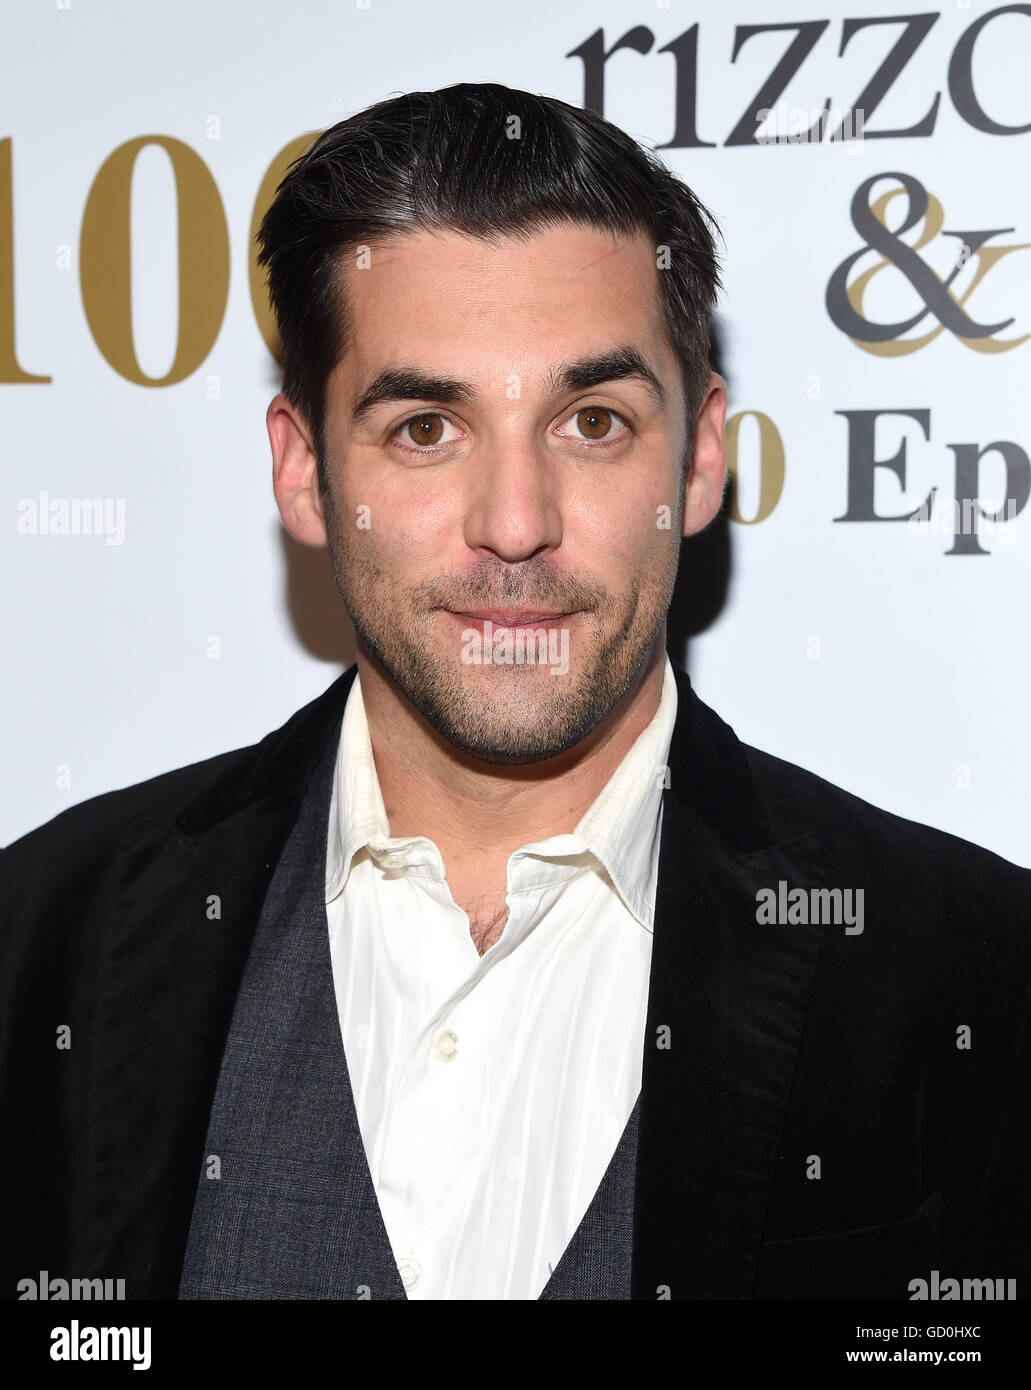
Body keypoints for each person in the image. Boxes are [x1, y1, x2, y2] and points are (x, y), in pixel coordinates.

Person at [2, 82, 1028, 1303]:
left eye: (590, 421)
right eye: (426, 428)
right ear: (305, 473)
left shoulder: (977, 975)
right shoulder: (41, 944)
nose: (514, 525)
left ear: (699, 458)